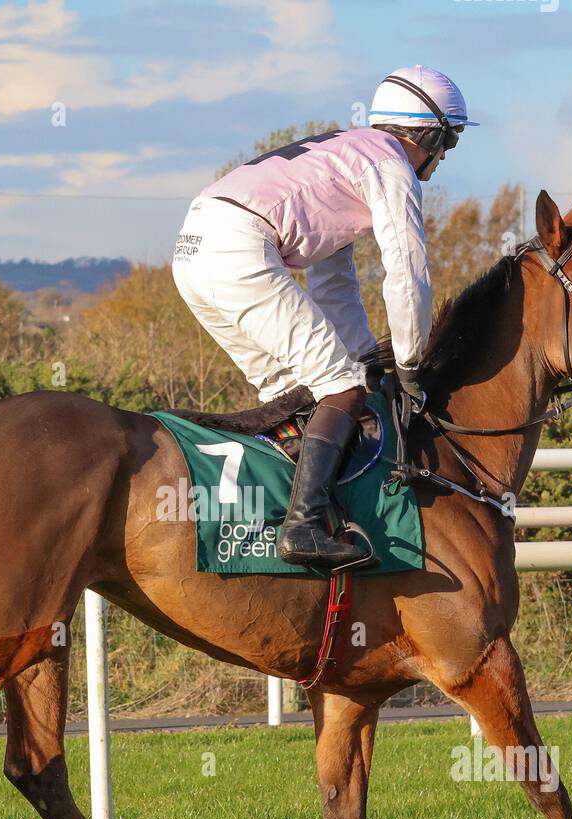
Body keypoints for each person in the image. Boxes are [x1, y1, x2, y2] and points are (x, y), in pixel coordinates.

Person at [172, 65, 476, 570]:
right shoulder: (391, 167)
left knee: (291, 391)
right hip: (238, 247)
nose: (445, 156)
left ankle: (279, 518)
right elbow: (408, 272)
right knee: (338, 388)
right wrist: (408, 362)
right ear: (427, 132)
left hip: (194, 249)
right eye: (450, 140)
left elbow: (334, 284)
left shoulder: (347, 155)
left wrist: (364, 360)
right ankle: (303, 527)